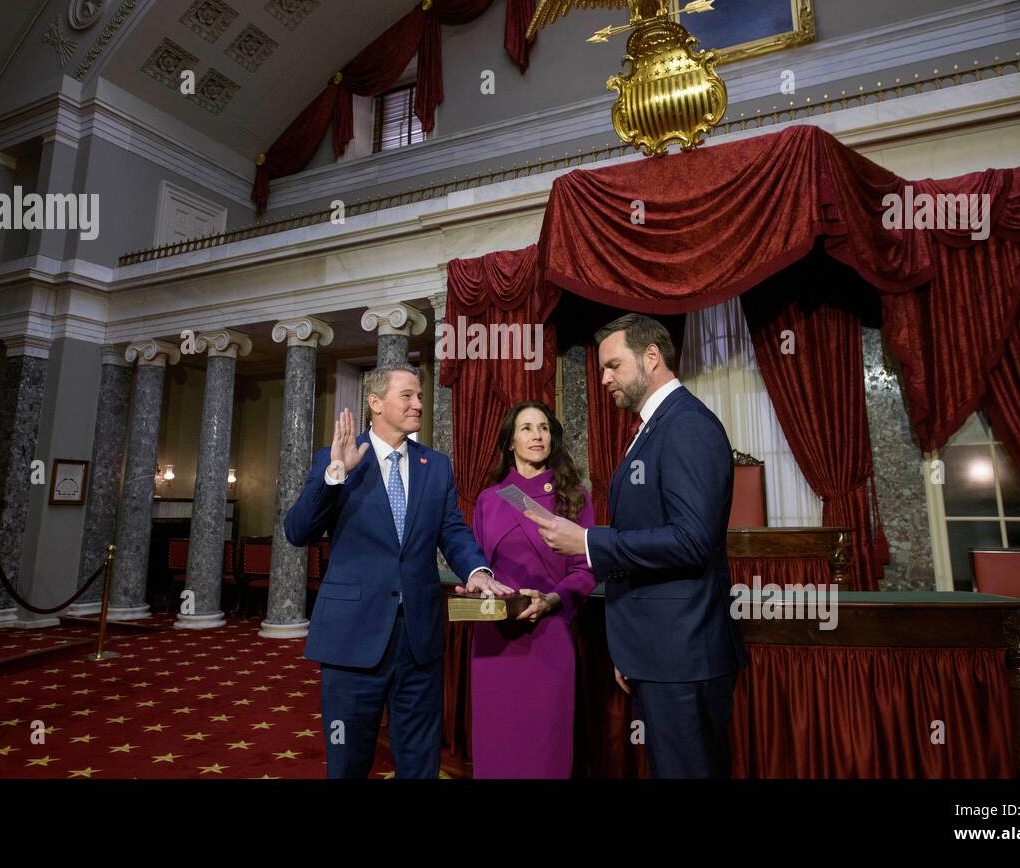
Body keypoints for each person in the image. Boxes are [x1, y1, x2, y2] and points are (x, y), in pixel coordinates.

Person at [526, 314, 747, 778]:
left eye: (612, 366)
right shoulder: (654, 426)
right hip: (661, 652)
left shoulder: (686, 424)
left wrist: (587, 541)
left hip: (683, 656)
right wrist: (636, 652)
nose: (603, 378)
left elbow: (692, 541)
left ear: (651, 357)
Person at [284, 364, 512, 778]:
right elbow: (298, 531)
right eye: (407, 395)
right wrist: (337, 475)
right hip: (352, 638)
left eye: (420, 396)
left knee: (420, 760)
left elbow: (452, 530)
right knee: (349, 759)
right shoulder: (335, 457)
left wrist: (476, 570)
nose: (418, 404)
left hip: (418, 638)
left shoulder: (436, 465)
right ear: (375, 403)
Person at [469, 400, 596, 779]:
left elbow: (586, 569)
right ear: (510, 441)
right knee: (498, 743)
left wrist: (555, 599)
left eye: (543, 427)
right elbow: (478, 563)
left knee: (545, 747)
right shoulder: (490, 499)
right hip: (494, 637)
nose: (537, 435)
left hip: (549, 633)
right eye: (526, 428)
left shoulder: (573, 496)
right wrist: (474, 586)